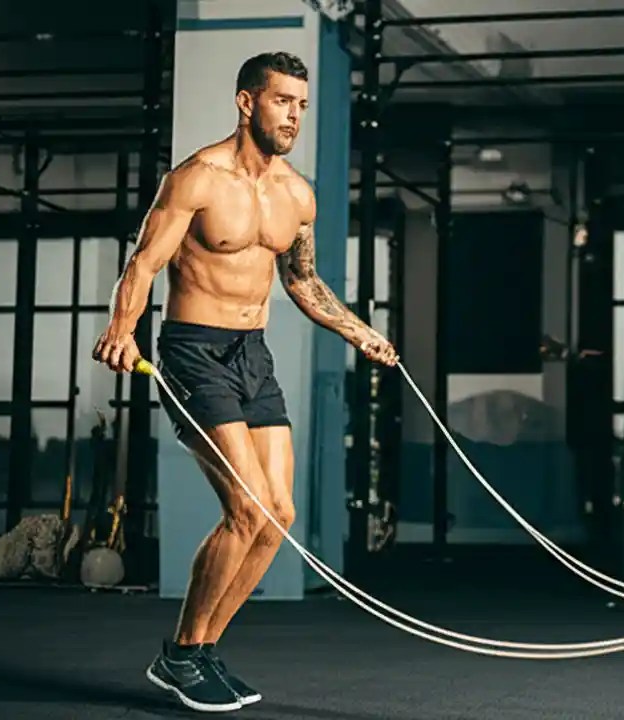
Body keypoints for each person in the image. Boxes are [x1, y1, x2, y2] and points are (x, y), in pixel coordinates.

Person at [92, 51, 397, 713]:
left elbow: (303, 281)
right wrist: (123, 328)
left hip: (252, 355)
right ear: (246, 101)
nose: (293, 115)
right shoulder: (198, 178)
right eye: (283, 100)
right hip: (193, 351)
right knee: (247, 508)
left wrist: (360, 333)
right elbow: (144, 262)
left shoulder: (297, 193)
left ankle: (197, 651)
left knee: (278, 515)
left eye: (301, 105)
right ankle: (179, 653)